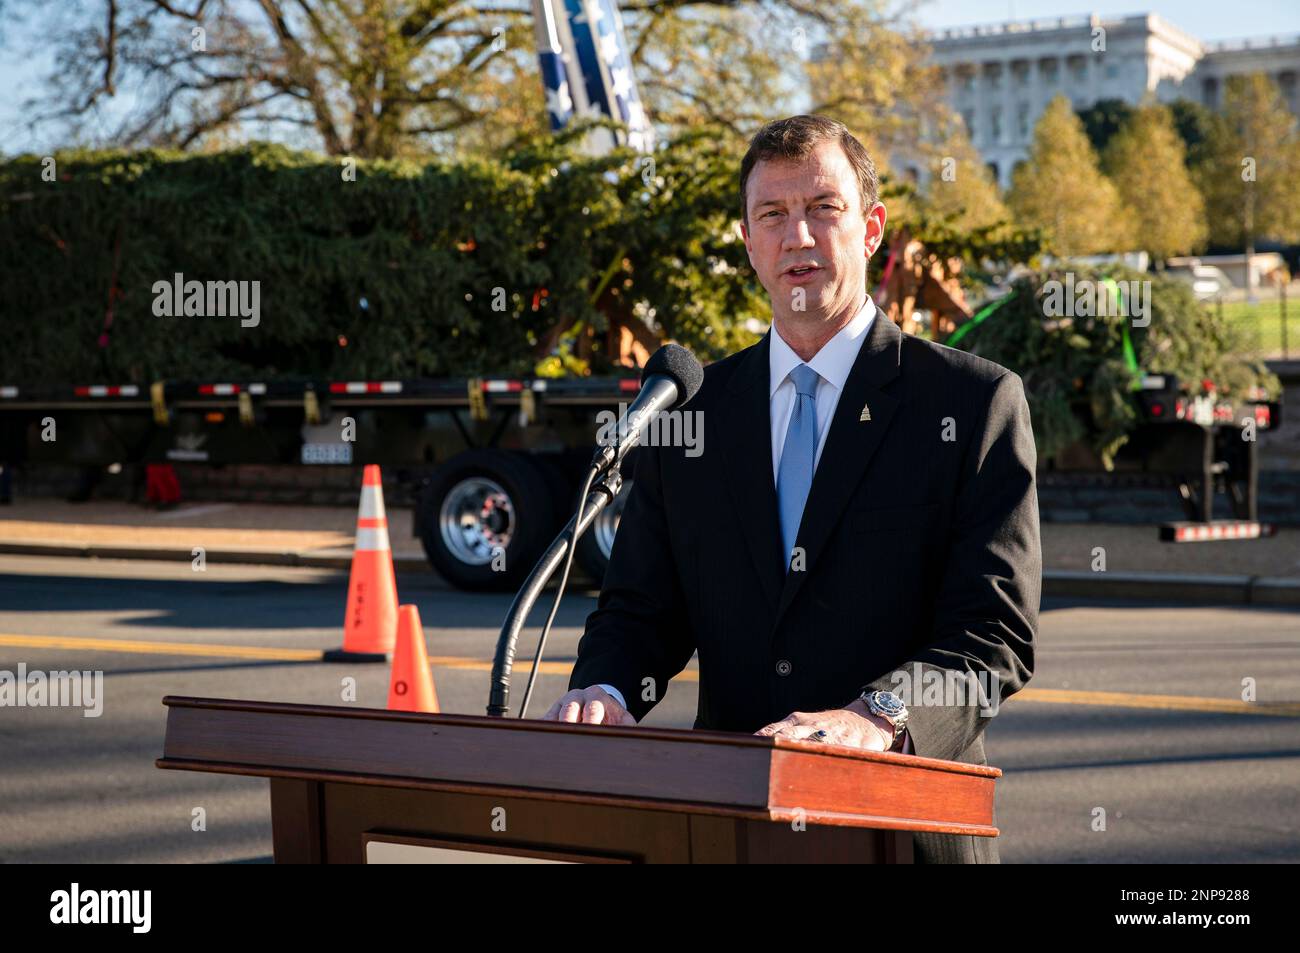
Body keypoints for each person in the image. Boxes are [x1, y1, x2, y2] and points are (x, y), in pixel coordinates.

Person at [542, 114, 1041, 863]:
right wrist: (607, 691)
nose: (796, 236)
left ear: (872, 229)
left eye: (822, 209)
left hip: (902, 827)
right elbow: (642, 611)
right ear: (748, 243)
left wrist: (878, 715)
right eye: (772, 215)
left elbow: (992, 637)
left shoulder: (971, 403)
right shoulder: (695, 411)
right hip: (729, 829)